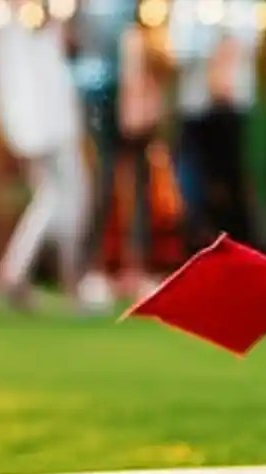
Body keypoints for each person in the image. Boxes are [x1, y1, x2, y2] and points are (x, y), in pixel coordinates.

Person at [0, 2, 90, 310]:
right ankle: (62, 278)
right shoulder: (19, 19)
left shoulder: (15, 21)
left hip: (44, 120)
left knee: (58, 196)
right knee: (62, 196)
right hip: (45, 122)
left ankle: (26, 273)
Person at [168, 0, 266, 258]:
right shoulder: (186, 7)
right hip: (195, 108)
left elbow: (250, 41)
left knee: (234, 182)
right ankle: (200, 249)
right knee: (193, 185)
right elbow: (179, 50)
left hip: (232, 108)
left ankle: (244, 251)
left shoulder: (242, 7)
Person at [71, 0, 154, 312]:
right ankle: (93, 271)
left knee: (137, 183)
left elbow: (138, 37)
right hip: (98, 93)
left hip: (129, 92)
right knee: (103, 183)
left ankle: (138, 270)